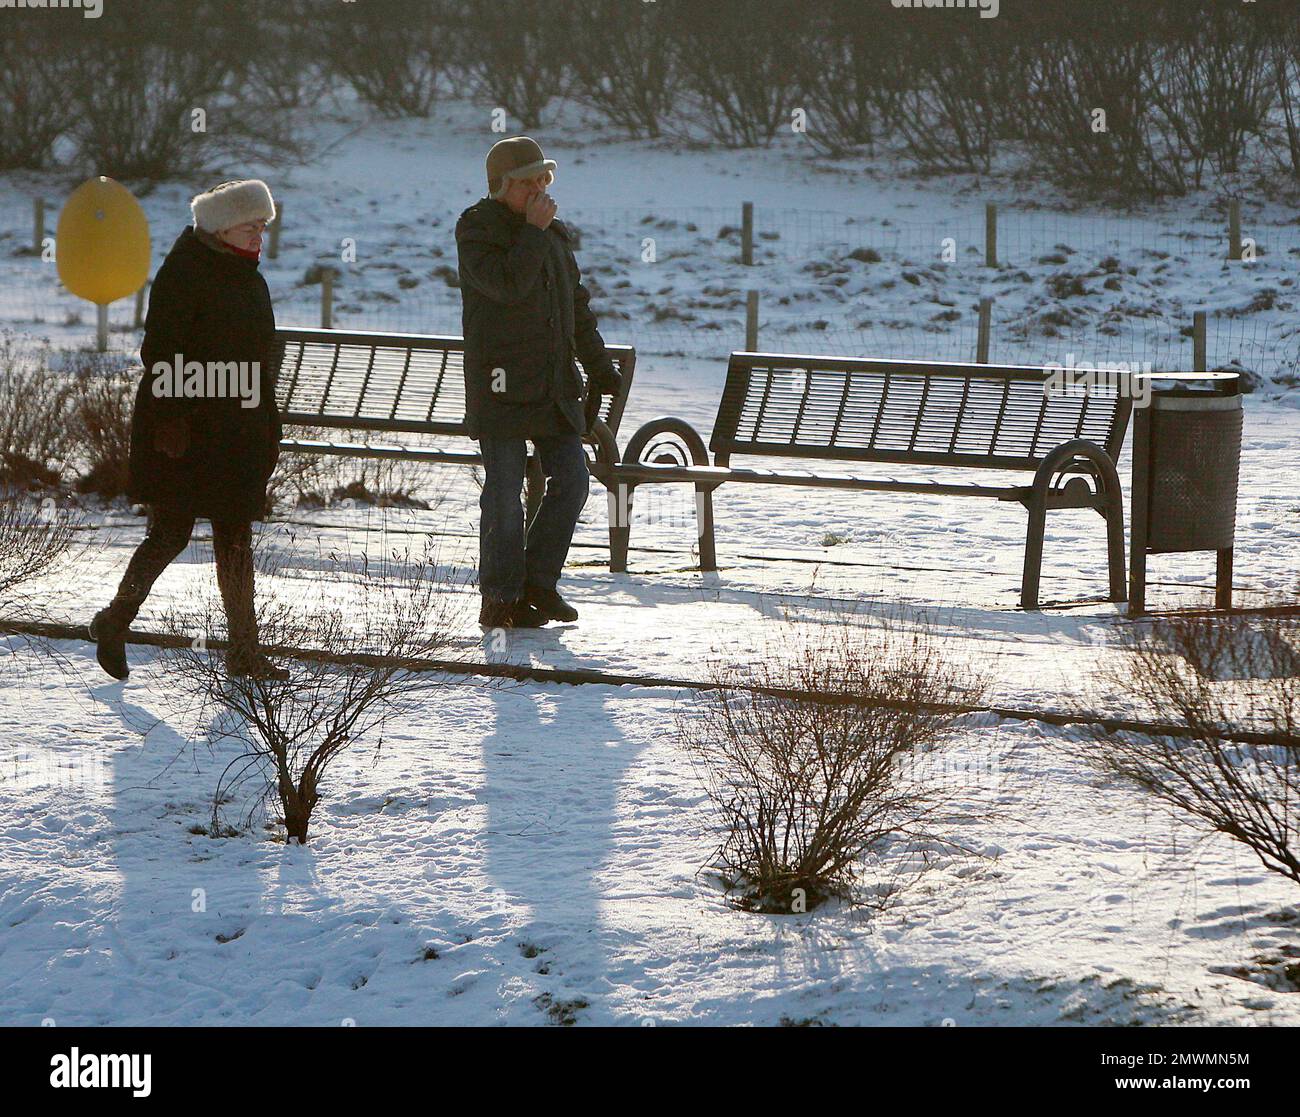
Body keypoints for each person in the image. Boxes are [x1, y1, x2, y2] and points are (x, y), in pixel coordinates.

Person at [88, 179, 287, 681]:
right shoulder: (185, 272)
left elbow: (260, 352)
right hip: (187, 431)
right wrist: (175, 419)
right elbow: (161, 352)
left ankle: (243, 650)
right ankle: (115, 620)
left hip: (237, 427)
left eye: (263, 226)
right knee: (171, 533)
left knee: (235, 539)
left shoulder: (247, 275)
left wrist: (264, 417)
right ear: (222, 228)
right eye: (250, 227)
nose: (259, 236)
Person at [456, 136, 622, 629]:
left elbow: (576, 306)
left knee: (572, 480)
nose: (539, 189)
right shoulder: (477, 229)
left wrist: (597, 364)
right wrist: (531, 232)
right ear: (502, 185)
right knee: (504, 494)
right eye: (529, 181)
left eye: (543, 180)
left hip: (552, 383)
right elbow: (507, 286)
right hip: (501, 383)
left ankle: (538, 584)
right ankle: (500, 600)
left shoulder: (551, 235)